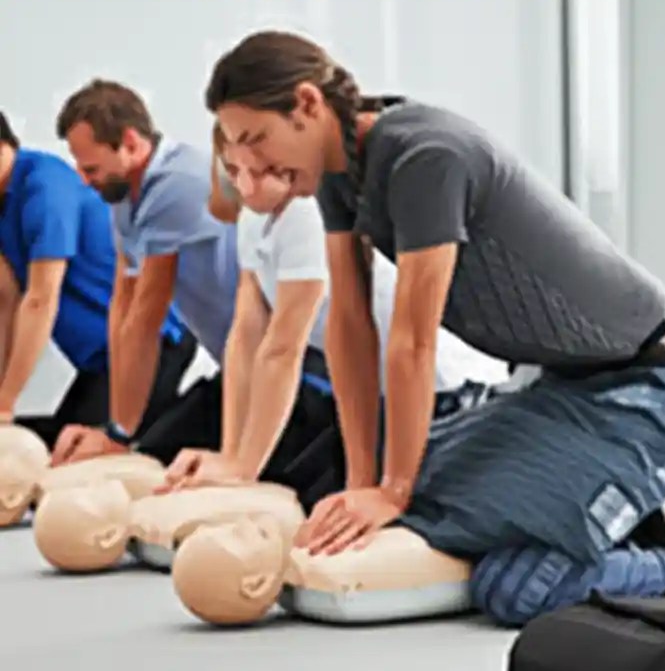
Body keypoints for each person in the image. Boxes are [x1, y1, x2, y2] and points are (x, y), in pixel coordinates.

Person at [204, 30, 665, 626]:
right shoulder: (333, 169)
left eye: (255, 138)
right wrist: (363, 482)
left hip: (659, 386)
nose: (251, 162)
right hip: (563, 386)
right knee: (423, 503)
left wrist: (391, 490)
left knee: (517, 589)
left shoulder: (424, 155)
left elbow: (412, 341)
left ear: (306, 104)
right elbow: (352, 327)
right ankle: (611, 511)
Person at [161, 126, 510, 510]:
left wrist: (242, 470)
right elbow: (246, 338)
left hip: (447, 393)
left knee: (349, 525)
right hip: (377, 397)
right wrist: (230, 455)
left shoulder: (306, 213)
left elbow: (282, 349)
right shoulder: (254, 218)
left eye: (259, 171)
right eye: (234, 170)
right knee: (311, 502)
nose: (246, 186)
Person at [53, 79, 240, 465]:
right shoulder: (124, 193)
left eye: (91, 167)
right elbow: (122, 305)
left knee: (161, 464)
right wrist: (115, 426)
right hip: (238, 364)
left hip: (290, 362)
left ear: (131, 142)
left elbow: (145, 317)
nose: (84, 179)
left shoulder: (176, 183)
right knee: (153, 457)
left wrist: (119, 433)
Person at [0, 108, 195, 448]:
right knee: (55, 443)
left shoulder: (43, 186)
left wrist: (4, 404)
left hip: (152, 344)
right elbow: (5, 302)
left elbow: (40, 298)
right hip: (102, 358)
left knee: (75, 453)